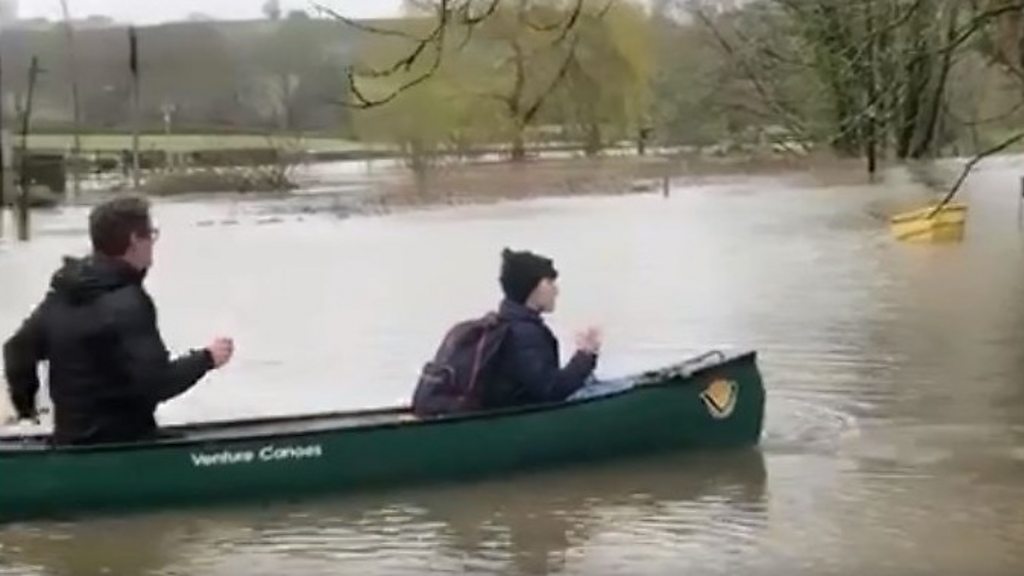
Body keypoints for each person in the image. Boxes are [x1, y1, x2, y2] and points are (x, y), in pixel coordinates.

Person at [2, 196, 234, 445]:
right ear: (135, 240)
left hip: (68, 441)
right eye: (151, 235)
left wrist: (27, 411)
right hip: (125, 442)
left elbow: (16, 351)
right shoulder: (127, 302)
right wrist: (207, 358)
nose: (152, 244)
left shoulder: (63, 294)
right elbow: (158, 383)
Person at [478, 248, 603, 410]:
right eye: (549, 282)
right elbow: (551, 390)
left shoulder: (509, 324)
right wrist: (585, 355)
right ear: (533, 287)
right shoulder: (524, 334)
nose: (556, 291)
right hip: (524, 418)